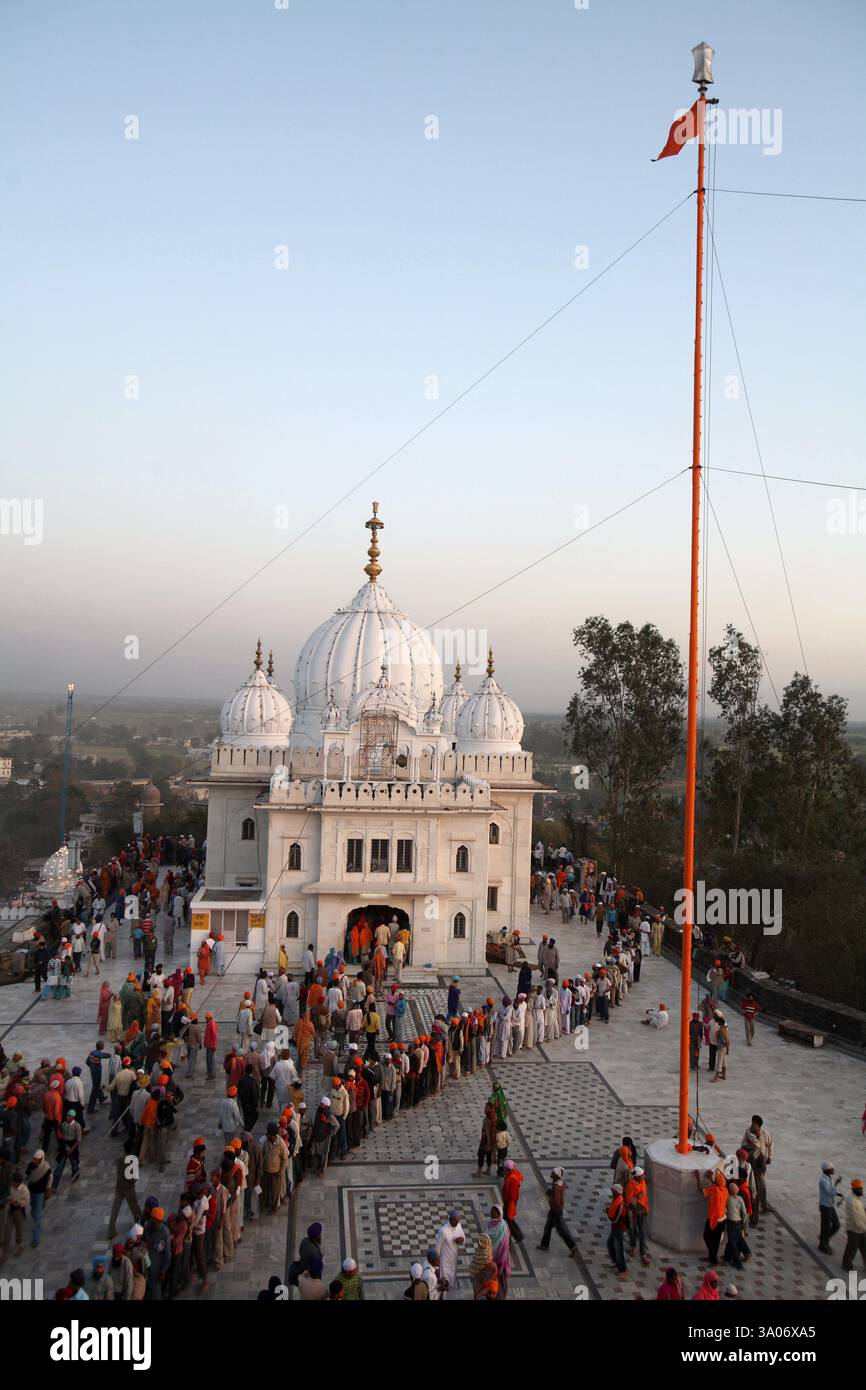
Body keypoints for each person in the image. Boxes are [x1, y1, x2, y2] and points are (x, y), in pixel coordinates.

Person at [537, 1167, 577, 1257]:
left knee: (561, 1231)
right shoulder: (559, 1183)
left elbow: (557, 1200)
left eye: (553, 1173)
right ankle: (544, 1244)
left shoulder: (556, 1186)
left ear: (556, 1176)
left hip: (556, 1210)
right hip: (555, 1210)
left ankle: (572, 1246)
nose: (551, 1174)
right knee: (547, 1227)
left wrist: (550, 1196)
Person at [741, 1115, 773, 1223]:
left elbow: (770, 1145)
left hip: (757, 1173)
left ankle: (760, 1210)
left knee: (758, 1191)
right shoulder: (748, 1135)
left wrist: (769, 1157)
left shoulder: (764, 1136)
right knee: (751, 1192)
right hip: (750, 1171)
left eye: (756, 1124)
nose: (754, 1126)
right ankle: (751, 1213)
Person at [695, 1168, 728, 1264]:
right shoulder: (725, 1190)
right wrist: (711, 1179)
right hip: (723, 1219)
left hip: (714, 1219)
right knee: (716, 1240)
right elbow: (717, 1185)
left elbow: (701, 1191)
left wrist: (698, 1178)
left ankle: (713, 1258)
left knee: (707, 1236)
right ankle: (712, 1256)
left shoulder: (714, 1190)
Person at [435, 1208, 466, 1297]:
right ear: (450, 1220)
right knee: (444, 1284)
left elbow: (464, 1239)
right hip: (444, 1263)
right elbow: (437, 1249)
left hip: (454, 1261)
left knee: (452, 1283)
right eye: (455, 1221)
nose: (457, 1222)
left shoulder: (459, 1226)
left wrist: (461, 1240)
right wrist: (437, 1267)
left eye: (458, 1220)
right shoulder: (443, 1231)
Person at [842, 1178, 866, 1272]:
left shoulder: (857, 1198)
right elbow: (856, 1219)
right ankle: (846, 1265)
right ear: (854, 1189)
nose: (862, 1191)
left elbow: (860, 1212)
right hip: (854, 1230)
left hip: (861, 1229)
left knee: (864, 1247)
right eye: (860, 1189)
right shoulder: (851, 1201)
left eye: (861, 1188)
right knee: (852, 1248)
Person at [819, 1161, 841, 1255]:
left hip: (830, 1205)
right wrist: (836, 1184)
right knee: (826, 1227)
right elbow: (830, 1193)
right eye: (832, 1169)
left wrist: (838, 1193)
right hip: (825, 1206)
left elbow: (831, 1191)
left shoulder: (828, 1177)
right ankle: (823, 1245)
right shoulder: (823, 1180)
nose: (833, 1170)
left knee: (836, 1225)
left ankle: (824, 1239)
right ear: (826, 1170)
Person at [605, 1183, 628, 1277]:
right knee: (610, 1243)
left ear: (617, 1192)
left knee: (619, 1249)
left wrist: (609, 1214)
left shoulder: (620, 1203)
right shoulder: (616, 1200)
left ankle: (623, 1270)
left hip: (618, 1228)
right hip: (615, 1228)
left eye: (613, 1191)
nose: (612, 1192)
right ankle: (615, 1261)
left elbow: (616, 1218)